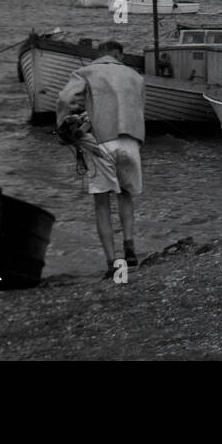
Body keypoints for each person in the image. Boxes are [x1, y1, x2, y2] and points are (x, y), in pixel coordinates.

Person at [55, 40, 146, 279]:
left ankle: (112, 263)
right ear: (120, 55)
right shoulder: (135, 76)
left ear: (100, 54)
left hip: (102, 142)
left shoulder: (86, 72)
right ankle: (130, 250)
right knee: (126, 194)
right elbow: (140, 107)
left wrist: (62, 123)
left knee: (102, 203)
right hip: (132, 139)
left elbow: (65, 98)